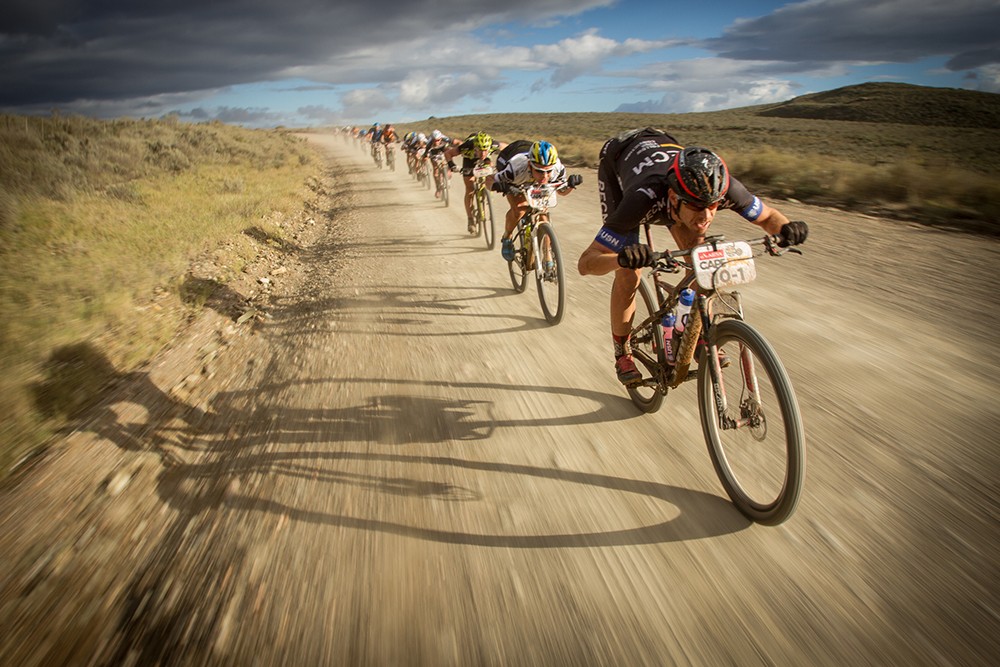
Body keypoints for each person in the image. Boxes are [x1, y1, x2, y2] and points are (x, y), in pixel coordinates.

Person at [576, 127, 809, 385]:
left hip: (664, 146)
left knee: (702, 261)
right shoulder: (642, 199)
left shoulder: (723, 188)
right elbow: (586, 264)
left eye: (713, 206)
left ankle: (692, 334)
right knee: (630, 274)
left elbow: (768, 217)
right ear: (674, 197)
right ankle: (622, 351)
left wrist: (787, 229)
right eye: (698, 206)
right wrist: (621, 259)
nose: (707, 216)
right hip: (619, 158)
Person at [488, 140, 582, 262]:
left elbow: (561, 192)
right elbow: (489, 179)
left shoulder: (557, 169)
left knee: (543, 214)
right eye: (539, 171)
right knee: (519, 209)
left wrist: (570, 185)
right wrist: (499, 186)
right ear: (529, 165)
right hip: (510, 158)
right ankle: (507, 237)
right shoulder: (513, 169)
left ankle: (547, 255)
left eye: (548, 171)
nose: (545, 176)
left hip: (528, 158)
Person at [443, 131, 505, 232]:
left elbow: (506, 147)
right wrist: (452, 166)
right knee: (470, 188)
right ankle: (470, 219)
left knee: (489, 171)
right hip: (469, 160)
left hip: (486, 161)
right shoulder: (466, 146)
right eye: (480, 150)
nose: (483, 153)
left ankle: (487, 194)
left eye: (485, 150)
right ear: (475, 147)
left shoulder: (493, 144)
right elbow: (448, 154)